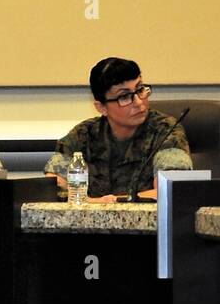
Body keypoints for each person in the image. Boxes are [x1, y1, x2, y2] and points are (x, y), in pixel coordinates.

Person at [44, 57, 192, 201]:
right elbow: (51, 187)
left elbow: (173, 189)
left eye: (140, 89)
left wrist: (115, 201)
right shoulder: (83, 134)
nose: (139, 102)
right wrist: (95, 203)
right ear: (101, 107)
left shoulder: (165, 129)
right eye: (125, 96)